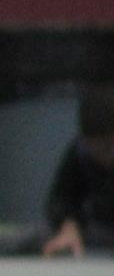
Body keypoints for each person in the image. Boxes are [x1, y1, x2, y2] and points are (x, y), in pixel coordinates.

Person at [42, 83, 114, 257]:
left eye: (110, 146)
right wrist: (68, 225)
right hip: (99, 239)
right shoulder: (79, 155)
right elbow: (60, 201)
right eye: (98, 150)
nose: (108, 157)